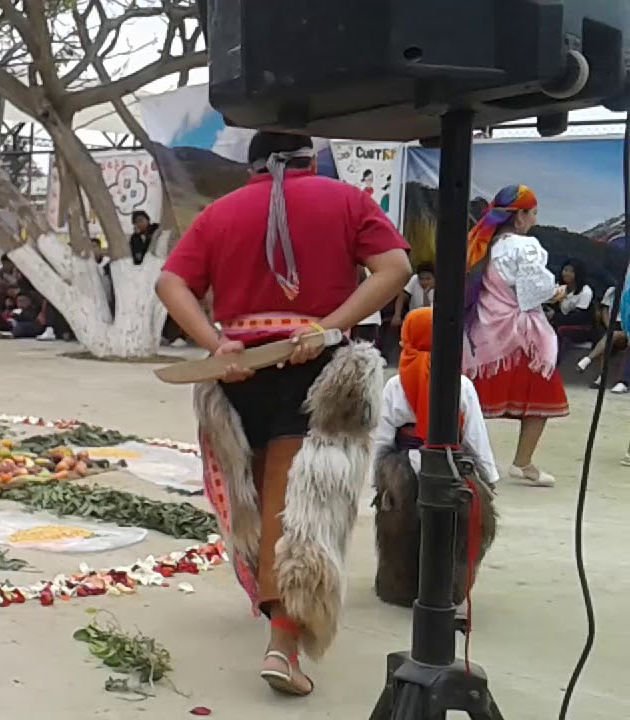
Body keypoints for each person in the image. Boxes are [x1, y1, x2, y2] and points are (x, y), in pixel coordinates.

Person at [155, 131, 410, 697]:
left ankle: (275, 615)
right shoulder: (347, 201)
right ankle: (283, 644)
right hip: (317, 372)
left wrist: (216, 342)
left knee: (261, 502)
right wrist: (329, 323)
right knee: (303, 512)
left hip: (239, 375)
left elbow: (170, 281)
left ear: (251, 167)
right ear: (309, 159)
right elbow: (394, 268)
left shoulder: (220, 212)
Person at [370, 307, 498, 609]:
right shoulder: (461, 383)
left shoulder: (394, 384)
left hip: (401, 465)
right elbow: (474, 435)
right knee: (457, 530)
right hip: (452, 462)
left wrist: (378, 479)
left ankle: (399, 588)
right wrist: (488, 478)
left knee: (398, 529)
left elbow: (383, 436)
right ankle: (449, 589)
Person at [463, 185, 567, 486]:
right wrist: (556, 292)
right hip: (520, 336)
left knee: (471, 398)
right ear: (519, 216)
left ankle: (462, 455)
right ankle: (522, 462)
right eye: (532, 213)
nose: (534, 219)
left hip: (484, 335)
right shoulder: (524, 247)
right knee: (541, 397)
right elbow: (533, 292)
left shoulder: (481, 245)